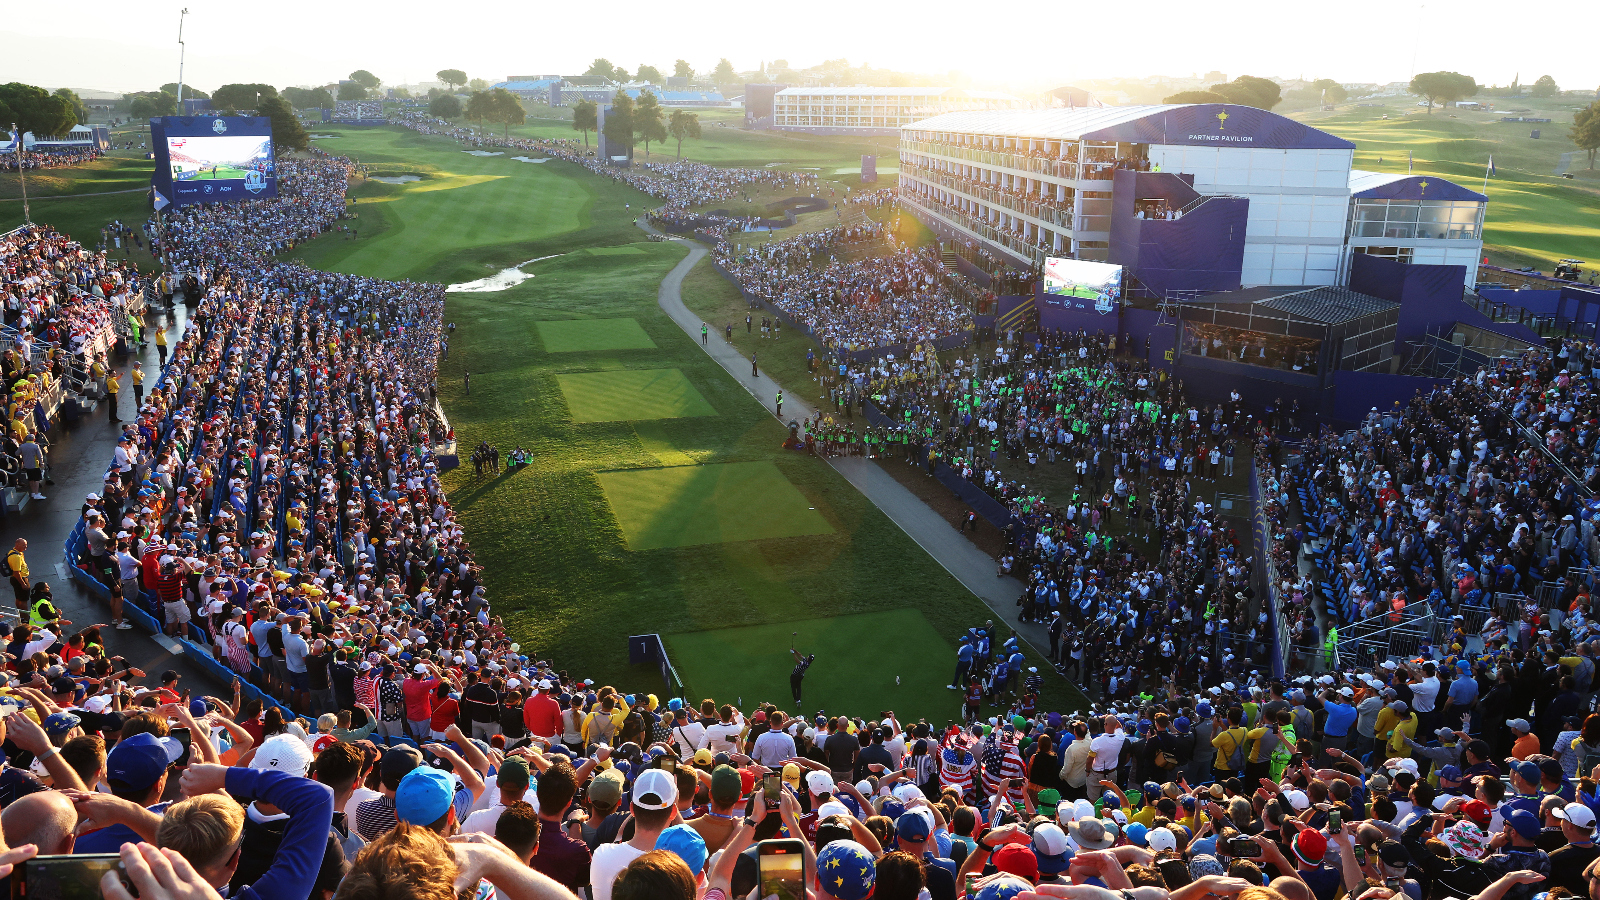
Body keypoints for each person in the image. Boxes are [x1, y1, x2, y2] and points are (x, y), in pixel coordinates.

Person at [6, 539, 29, 610]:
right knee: (23, 600)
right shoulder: (16, 557)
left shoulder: (13, 552)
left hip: (15, 579)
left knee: (19, 598)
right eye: (23, 545)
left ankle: (20, 614)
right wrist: (23, 583)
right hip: (20, 579)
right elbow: (16, 572)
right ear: (17, 544)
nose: (25, 547)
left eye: (26, 545)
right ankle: (25, 618)